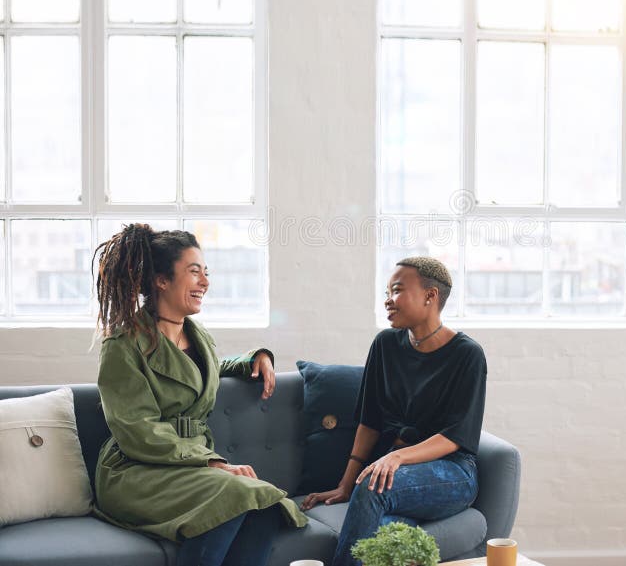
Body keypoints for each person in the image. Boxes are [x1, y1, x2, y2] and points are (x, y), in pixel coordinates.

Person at [92, 223, 307, 566]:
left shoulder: (199, 338)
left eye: (205, 273)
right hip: (136, 471)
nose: (205, 282)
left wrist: (252, 359)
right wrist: (213, 462)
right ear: (161, 280)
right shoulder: (124, 345)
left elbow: (200, 372)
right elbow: (137, 430)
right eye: (194, 272)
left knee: (265, 503)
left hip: (187, 466)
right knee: (236, 493)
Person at [300, 256, 487, 566]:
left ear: (431, 296)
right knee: (385, 537)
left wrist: (396, 457)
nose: (388, 301)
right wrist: (345, 485)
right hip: (399, 472)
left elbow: (455, 436)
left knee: (374, 483)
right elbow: (369, 421)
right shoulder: (385, 344)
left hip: (452, 472)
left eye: (397, 290)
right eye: (387, 292)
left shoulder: (467, 354)